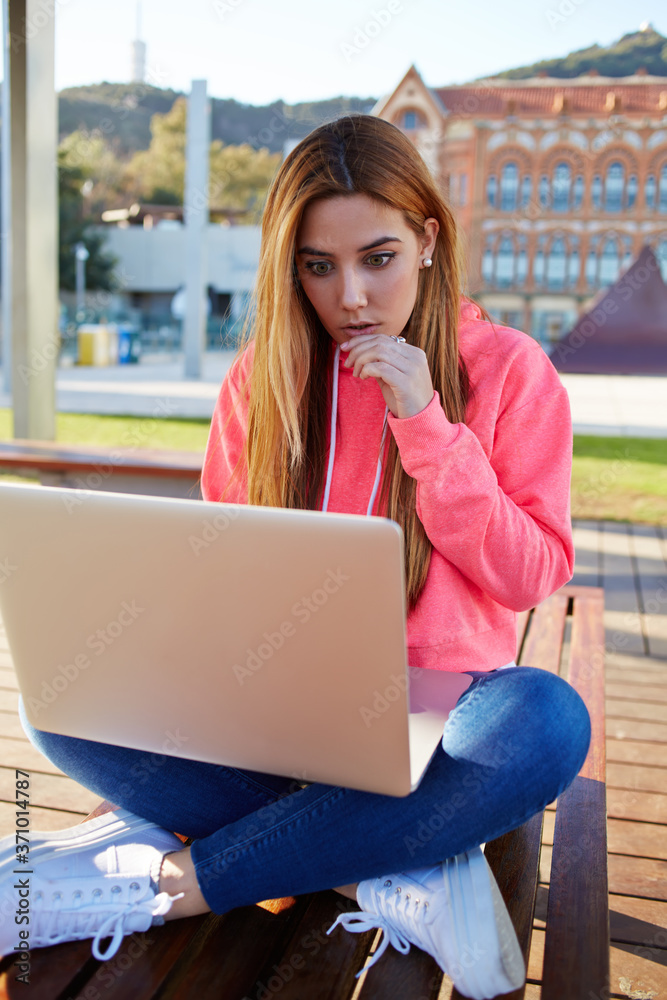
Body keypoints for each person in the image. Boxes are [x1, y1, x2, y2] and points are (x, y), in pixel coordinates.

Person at [0, 115, 590, 999]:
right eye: (318, 266)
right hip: (275, 720)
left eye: (377, 257)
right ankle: (394, 867)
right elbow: (220, 569)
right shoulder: (263, 378)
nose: (349, 295)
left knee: (546, 722)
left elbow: (531, 573)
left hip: (438, 732)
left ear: (428, 240)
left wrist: (427, 428)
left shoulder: (509, 370)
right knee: (65, 709)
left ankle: (175, 887)